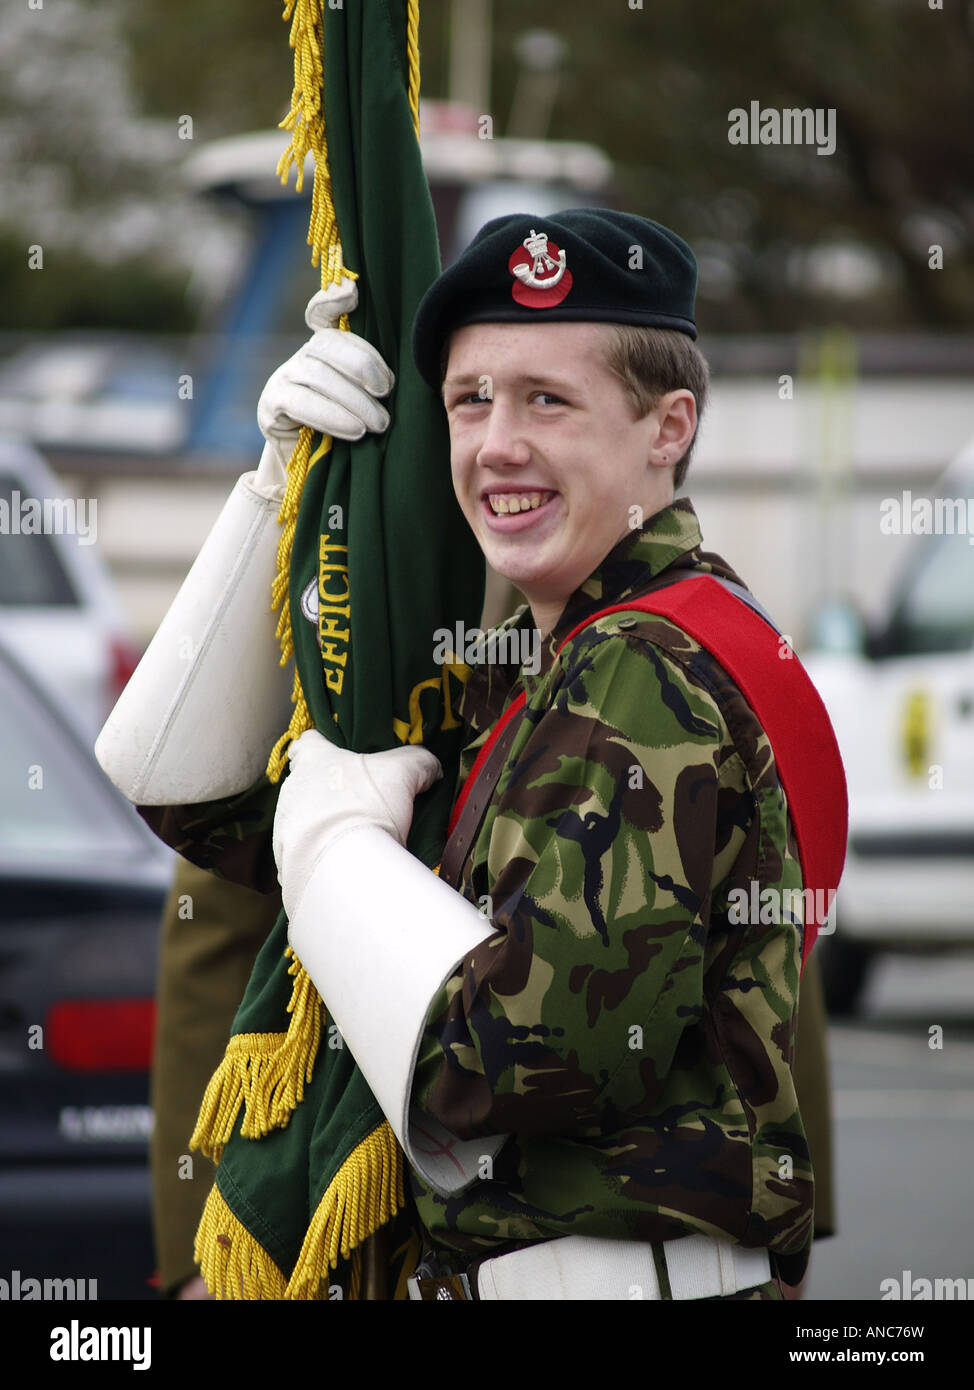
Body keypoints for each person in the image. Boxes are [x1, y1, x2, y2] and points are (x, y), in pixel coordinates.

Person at [268, 209, 838, 1300]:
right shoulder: (579, 651)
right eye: (469, 400)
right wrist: (273, 494)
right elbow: (200, 816)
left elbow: (528, 1060)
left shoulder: (637, 667)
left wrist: (334, 852)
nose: (496, 445)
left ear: (666, 427)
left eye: (547, 399)